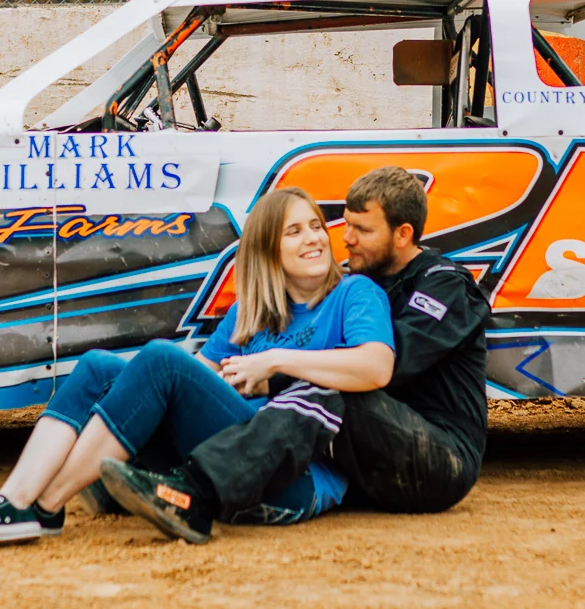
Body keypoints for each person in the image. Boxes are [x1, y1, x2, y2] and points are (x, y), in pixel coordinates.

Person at [0, 186, 394, 550]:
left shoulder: (354, 294)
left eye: (315, 226)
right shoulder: (253, 309)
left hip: (293, 479)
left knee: (160, 359)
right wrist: (229, 376)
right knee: (96, 368)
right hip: (226, 455)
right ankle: (13, 498)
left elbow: (376, 367)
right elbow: (205, 379)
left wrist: (273, 361)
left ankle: (44, 506)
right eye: (294, 232)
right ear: (268, 251)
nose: (313, 238)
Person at [98, 166, 489, 544]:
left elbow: (385, 364)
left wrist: (273, 369)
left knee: (332, 390)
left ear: (402, 235)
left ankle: (195, 494)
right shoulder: (364, 281)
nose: (346, 238)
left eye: (362, 230)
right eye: (346, 224)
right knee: (324, 387)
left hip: (439, 458)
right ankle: (142, 469)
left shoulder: (443, 287)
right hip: (368, 457)